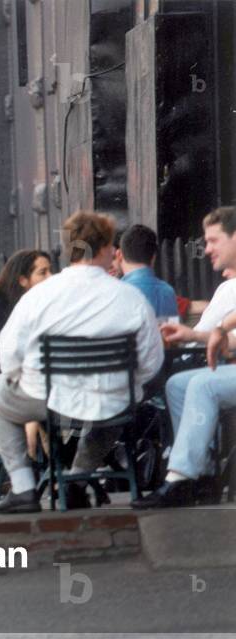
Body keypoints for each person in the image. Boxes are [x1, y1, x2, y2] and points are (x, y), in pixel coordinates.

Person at [0, 211, 164, 513]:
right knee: (113, 408)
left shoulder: (40, 296)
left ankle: (24, 487)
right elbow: (151, 361)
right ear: (106, 248)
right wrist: (124, 383)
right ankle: (77, 481)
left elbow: (8, 351)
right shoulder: (130, 299)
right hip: (111, 400)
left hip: (48, 400)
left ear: (69, 249)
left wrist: (22, 377)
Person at [137, 207, 236, 508]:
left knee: (202, 384)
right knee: (178, 384)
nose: (206, 249)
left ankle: (179, 478)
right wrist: (190, 335)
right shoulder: (227, 287)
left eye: (213, 240)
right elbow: (212, 335)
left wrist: (197, 335)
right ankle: (202, 475)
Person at [0, 250, 53, 377]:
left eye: (50, 271)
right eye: (43, 272)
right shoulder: (1, 310)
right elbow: (0, 360)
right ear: (23, 280)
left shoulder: (54, 306)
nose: (50, 277)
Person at [119, 224, 179, 319]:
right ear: (154, 256)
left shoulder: (115, 292)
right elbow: (172, 331)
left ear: (119, 255)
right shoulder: (167, 291)